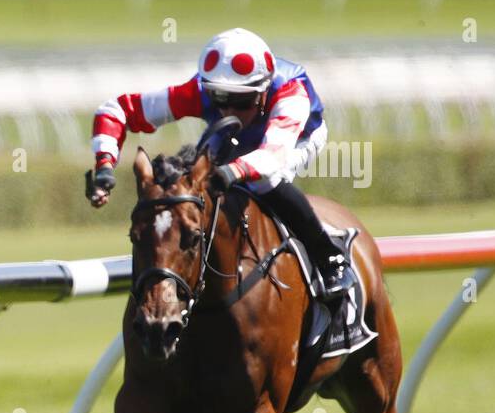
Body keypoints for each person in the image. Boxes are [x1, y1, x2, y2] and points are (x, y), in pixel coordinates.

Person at [86, 27, 356, 299]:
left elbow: (270, 157)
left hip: (297, 139)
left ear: (263, 91)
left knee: (263, 182)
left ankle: (330, 257)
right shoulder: (200, 91)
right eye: (219, 99)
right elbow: (116, 111)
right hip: (234, 135)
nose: (228, 109)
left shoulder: (290, 93)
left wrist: (231, 172)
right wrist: (105, 164)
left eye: (241, 100)